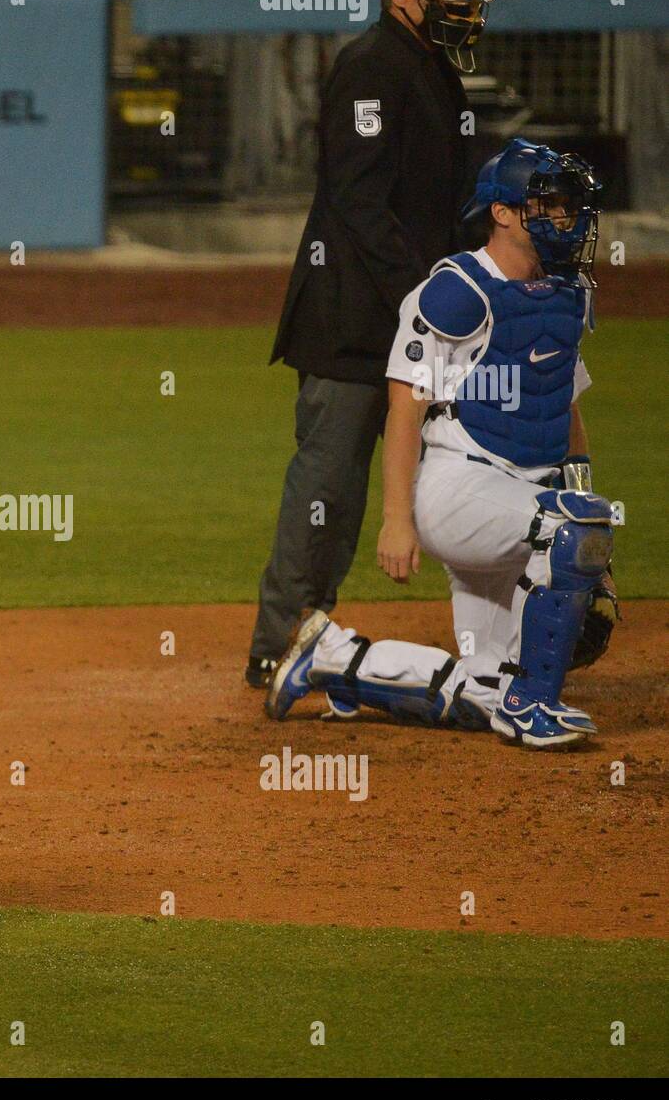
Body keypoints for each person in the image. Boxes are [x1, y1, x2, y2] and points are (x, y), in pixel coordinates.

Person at [264, 138, 618, 750]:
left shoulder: (567, 294)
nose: (566, 218)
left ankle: (333, 658)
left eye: (568, 206)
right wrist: (397, 520)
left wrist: (581, 504)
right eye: (550, 204)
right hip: (459, 491)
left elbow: (567, 403)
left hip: (525, 503)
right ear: (503, 213)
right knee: (572, 529)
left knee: (485, 691)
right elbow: (406, 407)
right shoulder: (455, 291)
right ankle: (535, 707)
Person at [246, 0, 494, 687]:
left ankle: (506, 634)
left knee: (451, 470)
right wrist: (429, 297)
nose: (471, 3)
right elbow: (359, 202)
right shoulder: (370, 68)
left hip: (412, 318)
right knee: (329, 486)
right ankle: (280, 642)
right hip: (351, 318)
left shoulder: (432, 68)